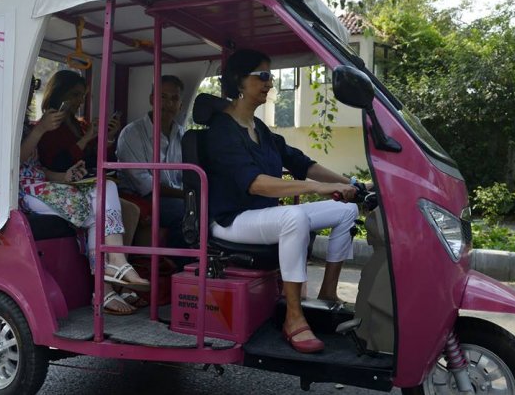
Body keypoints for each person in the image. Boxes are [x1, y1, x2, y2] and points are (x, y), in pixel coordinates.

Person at [205, 49, 359, 353]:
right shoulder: (220, 132)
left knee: (346, 210)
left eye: (270, 77)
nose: (269, 83)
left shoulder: (260, 130)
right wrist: (316, 188)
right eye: (262, 76)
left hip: (262, 217)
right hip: (231, 220)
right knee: (295, 218)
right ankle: (293, 316)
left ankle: (327, 294)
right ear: (239, 80)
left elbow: (303, 163)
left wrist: (349, 184)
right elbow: (256, 184)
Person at [21, 79, 148, 315]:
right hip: (25, 191)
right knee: (96, 209)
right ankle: (105, 287)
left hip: (47, 181)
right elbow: (16, 164)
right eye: (76, 95)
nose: (80, 101)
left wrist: (66, 175)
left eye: (33, 87)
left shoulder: (43, 126)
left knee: (107, 187)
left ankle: (116, 265)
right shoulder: (33, 126)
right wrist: (42, 130)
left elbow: (42, 169)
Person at [116, 75, 187, 248]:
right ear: (151, 99)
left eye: (174, 98)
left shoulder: (182, 135)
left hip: (172, 197)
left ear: (181, 105)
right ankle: (179, 267)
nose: (168, 103)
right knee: (184, 211)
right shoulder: (132, 133)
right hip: (139, 198)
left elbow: (188, 175)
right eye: (162, 96)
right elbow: (145, 185)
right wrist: (186, 195)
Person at [37, 70, 120, 172]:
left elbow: (102, 161)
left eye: (82, 96)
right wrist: (85, 139)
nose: (81, 101)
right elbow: (57, 166)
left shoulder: (82, 125)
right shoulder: (44, 129)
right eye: (75, 95)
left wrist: (109, 137)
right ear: (58, 94)